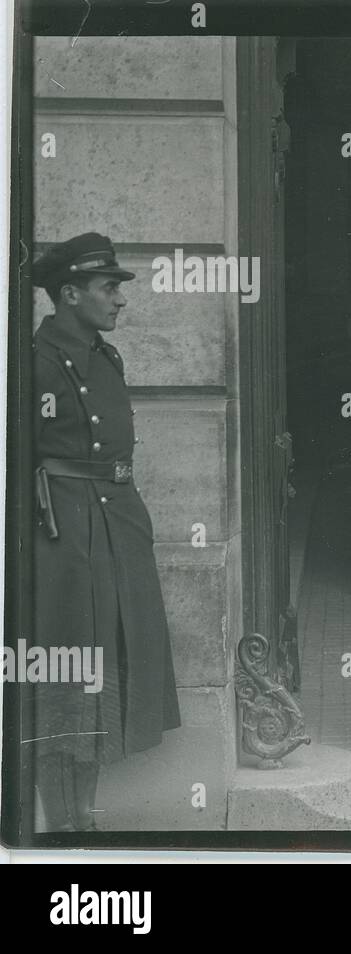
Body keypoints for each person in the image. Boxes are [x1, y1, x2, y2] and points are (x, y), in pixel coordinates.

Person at [29, 232, 181, 830]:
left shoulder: (102, 353)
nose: (120, 299)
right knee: (66, 686)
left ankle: (85, 820)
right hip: (62, 542)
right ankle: (63, 828)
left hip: (114, 528)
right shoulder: (34, 360)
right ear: (69, 294)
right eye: (108, 287)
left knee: (106, 675)